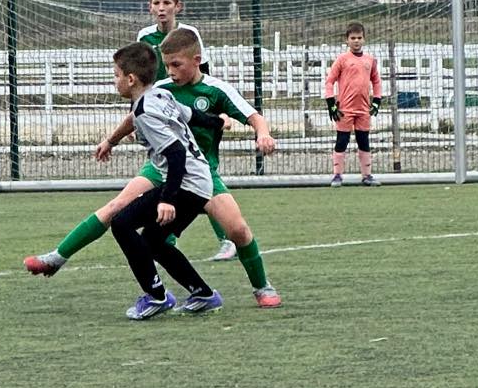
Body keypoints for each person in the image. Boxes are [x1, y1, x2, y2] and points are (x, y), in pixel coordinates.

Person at [23, 27, 283, 307]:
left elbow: (254, 116)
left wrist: (263, 133)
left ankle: (261, 287)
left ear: (196, 60)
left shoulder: (216, 89)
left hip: (199, 171)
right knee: (116, 208)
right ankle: (56, 258)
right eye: (167, 64)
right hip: (161, 169)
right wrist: (111, 140)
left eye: (176, 65)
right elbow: (134, 116)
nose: (170, 71)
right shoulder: (160, 89)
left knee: (238, 231)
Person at [102, 42, 222, 319]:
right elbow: (191, 116)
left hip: (185, 183)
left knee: (122, 223)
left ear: (131, 79)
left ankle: (156, 297)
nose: (115, 81)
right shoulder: (160, 96)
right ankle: (203, 293)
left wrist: (167, 199)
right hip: (199, 181)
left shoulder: (146, 110)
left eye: (116, 75)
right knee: (154, 242)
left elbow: (176, 153)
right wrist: (217, 122)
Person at [136, 0, 239, 264]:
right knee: (170, 175)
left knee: (200, 176)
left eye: (166, 3)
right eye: (156, 3)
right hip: (161, 114)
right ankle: (165, 238)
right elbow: (141, 77)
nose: (161, 9)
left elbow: (202, 73)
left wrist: (216, 114)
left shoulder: (190, 34)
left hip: (190, 111)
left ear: (177, 6)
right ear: (150, 7)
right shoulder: (145, 36)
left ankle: (226, 238)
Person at [325, 21, 384, 185]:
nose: (356, 41)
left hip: (363, 109)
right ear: (347, 40)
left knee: (364, 141)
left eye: (359, 37)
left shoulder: (370, 60)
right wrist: (331, 103)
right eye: (353, 38)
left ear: (364, 39)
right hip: (345, 109)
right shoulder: (342, 59)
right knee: (342, 141)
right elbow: (329, 82)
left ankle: (367, 176)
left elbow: (376, 81)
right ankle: (337, 175)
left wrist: (377, 100)